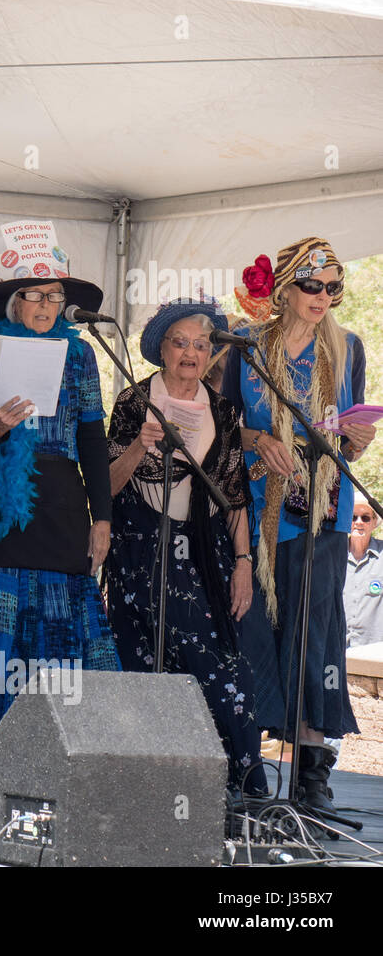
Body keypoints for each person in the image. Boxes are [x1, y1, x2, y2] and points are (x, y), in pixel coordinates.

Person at [0, 259, 118, 801]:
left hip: (61, 505)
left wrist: (102, 516)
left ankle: (54, 759)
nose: (44, 306)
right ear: (14, 303)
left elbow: (91, 437)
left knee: (60, 632)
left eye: (54, 297)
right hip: (1, 505)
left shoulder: (80, 353)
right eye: (34, 296)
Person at [222, 237, 374, 813]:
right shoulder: (246, 346)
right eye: (312, 285)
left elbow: (350, 437)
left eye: (333, 287)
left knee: (316, 634)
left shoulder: (348, 348)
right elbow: (222, 426)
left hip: (323, 514)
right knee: (255, 631)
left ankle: (313, 773)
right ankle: (247, 765)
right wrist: (259, 437)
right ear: (285, 287)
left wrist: (360, 441)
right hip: (257, 513)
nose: (323, 297)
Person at [105, 299, 265, 796]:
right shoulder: (134, 403)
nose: (192, 353)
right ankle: (152, 786)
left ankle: (237, 782)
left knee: (218, 662)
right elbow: (106, 486)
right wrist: (140, 445)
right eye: (181, 343)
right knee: (146, 663)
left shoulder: (223, 408)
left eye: (202, 345)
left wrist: (243, 563)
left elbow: (234, 492)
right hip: (141, 549)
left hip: (206, 551)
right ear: (163, 350)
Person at [346, 493, 383, 649]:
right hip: (337, 649)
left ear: (374, 522)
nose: (358, 522)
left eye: (365, 518)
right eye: (353, 517)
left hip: (373, 650)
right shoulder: (333, 555)